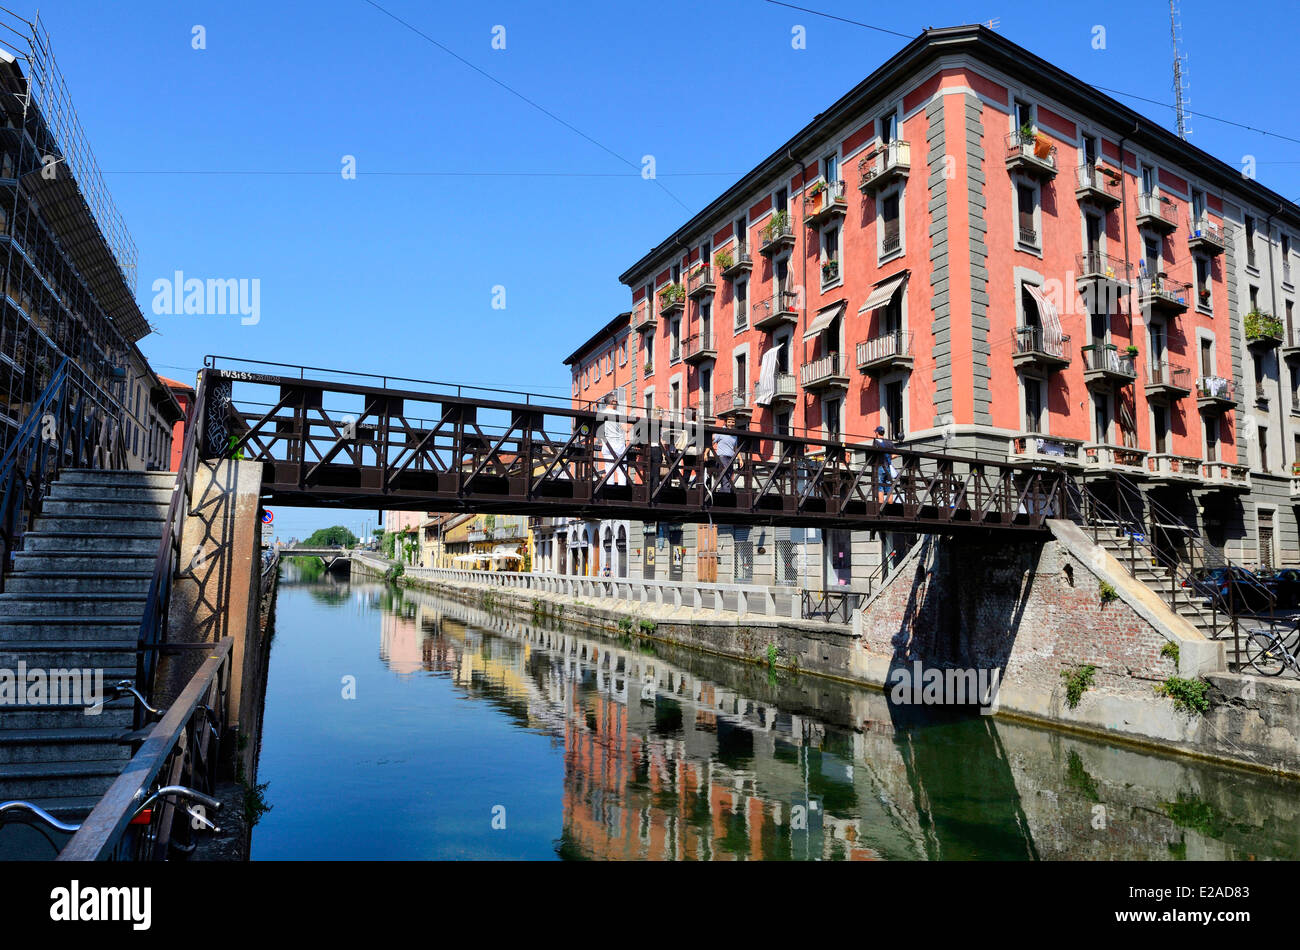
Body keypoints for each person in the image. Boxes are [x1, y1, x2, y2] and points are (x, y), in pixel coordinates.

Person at [598, 393, 627, 486]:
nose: (617, 403)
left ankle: (609, 490)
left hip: (607, 445)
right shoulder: (619, 414)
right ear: (612, 402)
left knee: (609, 469)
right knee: (622, 470)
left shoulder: (601, 414)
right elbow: (626, 429)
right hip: (619, 444)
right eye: (616, 401)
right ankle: (621, 490)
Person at [712, 414, 739, 492]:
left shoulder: (735, 434)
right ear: (726, 423)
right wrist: (706, 453)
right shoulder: (721, 431)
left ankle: (723, 491)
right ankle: (725, 492)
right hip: (722, 457)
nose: (731, 423)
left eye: (733, 422)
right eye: (729, 422)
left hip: (731, 458)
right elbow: (712, 442)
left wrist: (740, 459)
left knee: (729, 475)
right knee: (725, 475)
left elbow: (736, 448)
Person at [873, 425, 897, 503]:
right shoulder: (889, 442)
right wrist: (889, 458)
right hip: (888, 467)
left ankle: (881, 506)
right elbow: (896, 454)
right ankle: (890, 505)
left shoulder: (875, 442)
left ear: (877, 433)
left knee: (880, 487)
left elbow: (873, 455)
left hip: (880, 466)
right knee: (889, 486)